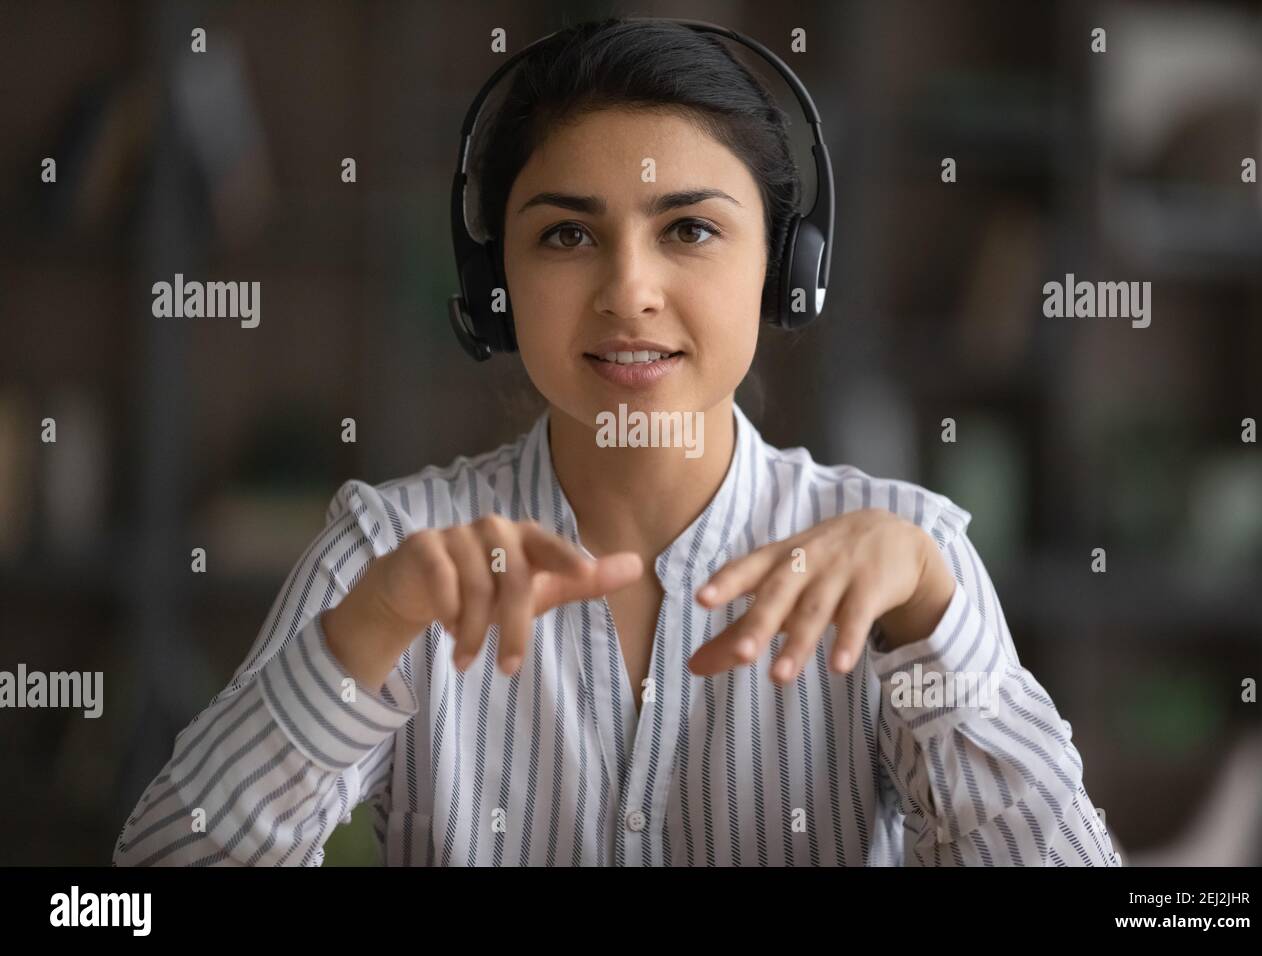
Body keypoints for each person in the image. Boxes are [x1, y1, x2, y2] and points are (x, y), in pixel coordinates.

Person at [113, 16, 1119, 867]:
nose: (628, 288)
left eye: (687, 230)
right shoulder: (390, 548)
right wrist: (368, 630)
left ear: (783, 270)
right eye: (566, 234)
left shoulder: (903, 560)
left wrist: (935, 625)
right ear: (493, 285)